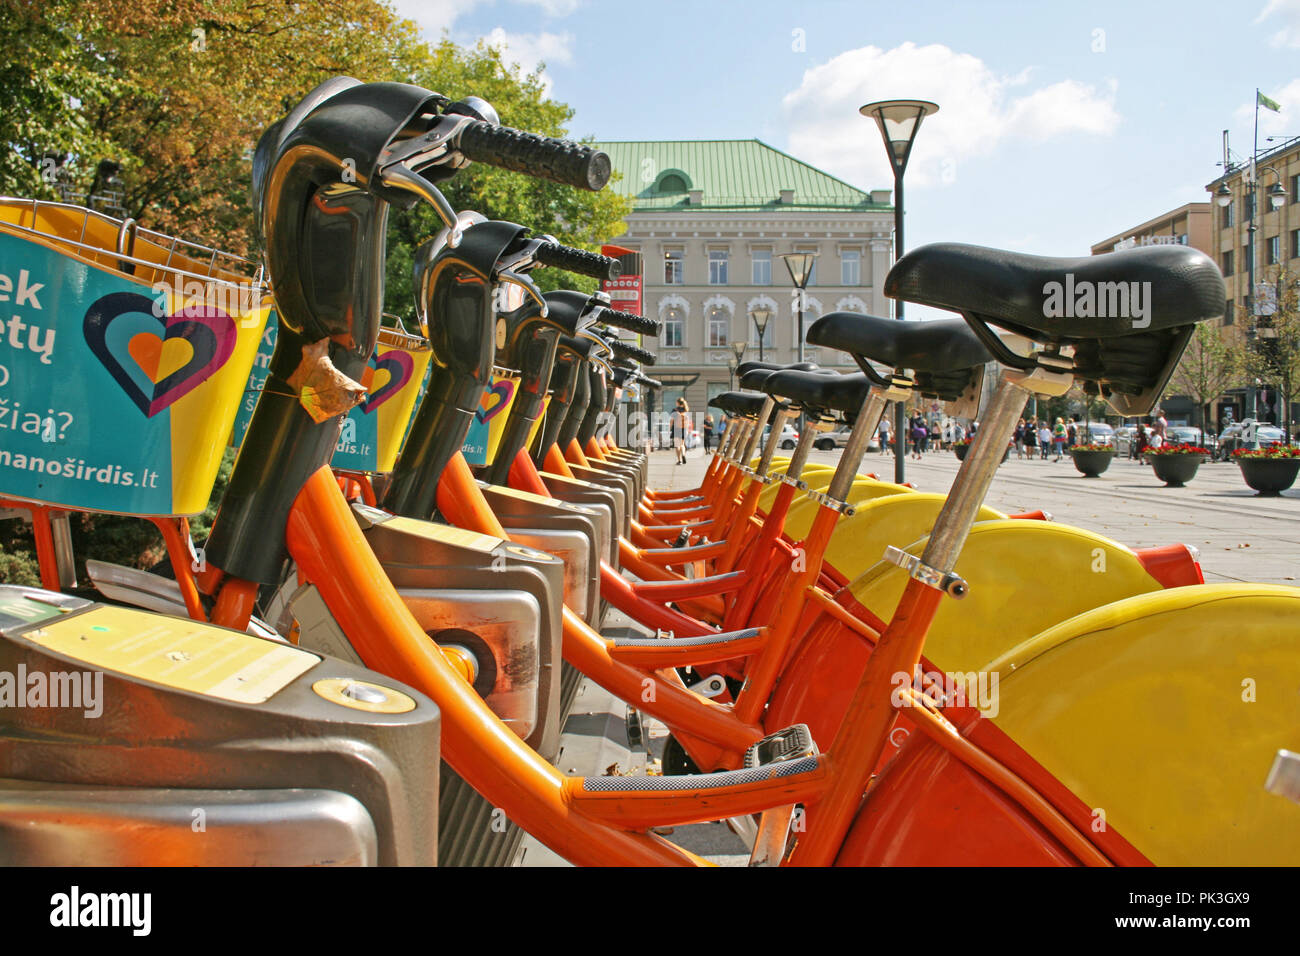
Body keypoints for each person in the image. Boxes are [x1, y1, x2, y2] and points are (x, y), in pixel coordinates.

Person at [671, 399, 689, 465]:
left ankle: (679, 460)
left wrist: (669, 428)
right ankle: (683, 454)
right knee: (682, 444)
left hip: (676, 429)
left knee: (677, 445)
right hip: (684, 429)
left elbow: (672, 420)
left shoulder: (675, 410)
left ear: (678, 403)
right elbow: (688, 422)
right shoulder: (686, 410)